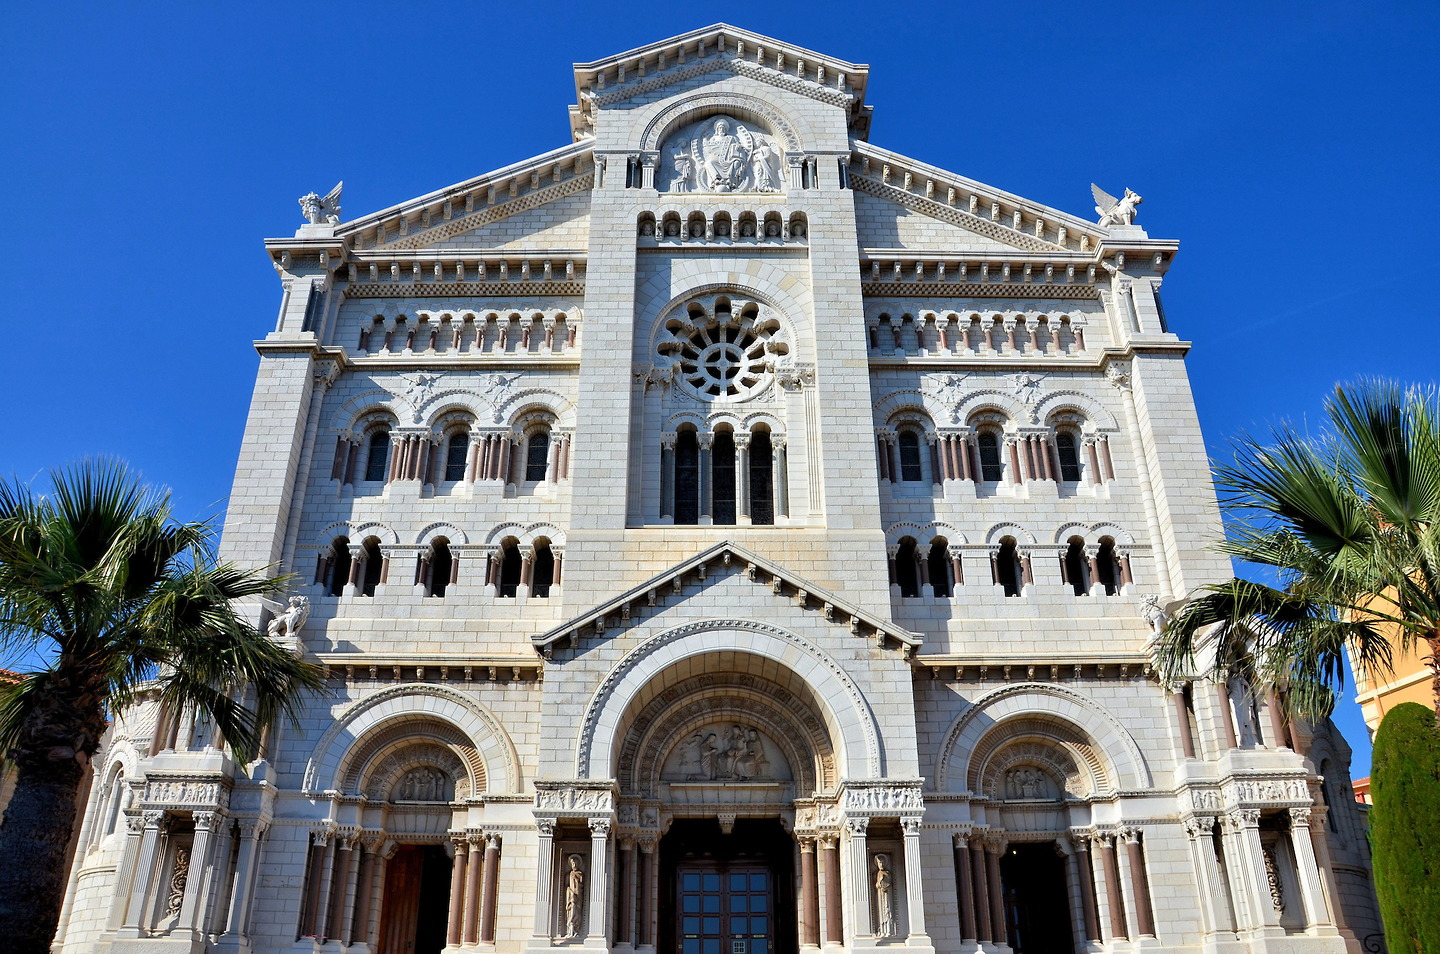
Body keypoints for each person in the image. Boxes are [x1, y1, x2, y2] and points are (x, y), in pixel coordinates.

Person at [565, 855, 585, 936]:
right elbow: (567, 885)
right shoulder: (569, 874)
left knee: (577, 912)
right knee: (571, 911)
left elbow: (582, 884)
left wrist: (578, 881)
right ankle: (570, 929)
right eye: (573, 863)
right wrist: (570, 892)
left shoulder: (580, 874)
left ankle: (576, 930)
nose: (575, 865)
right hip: (571, 895)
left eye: (576, 863)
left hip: (579, 895)